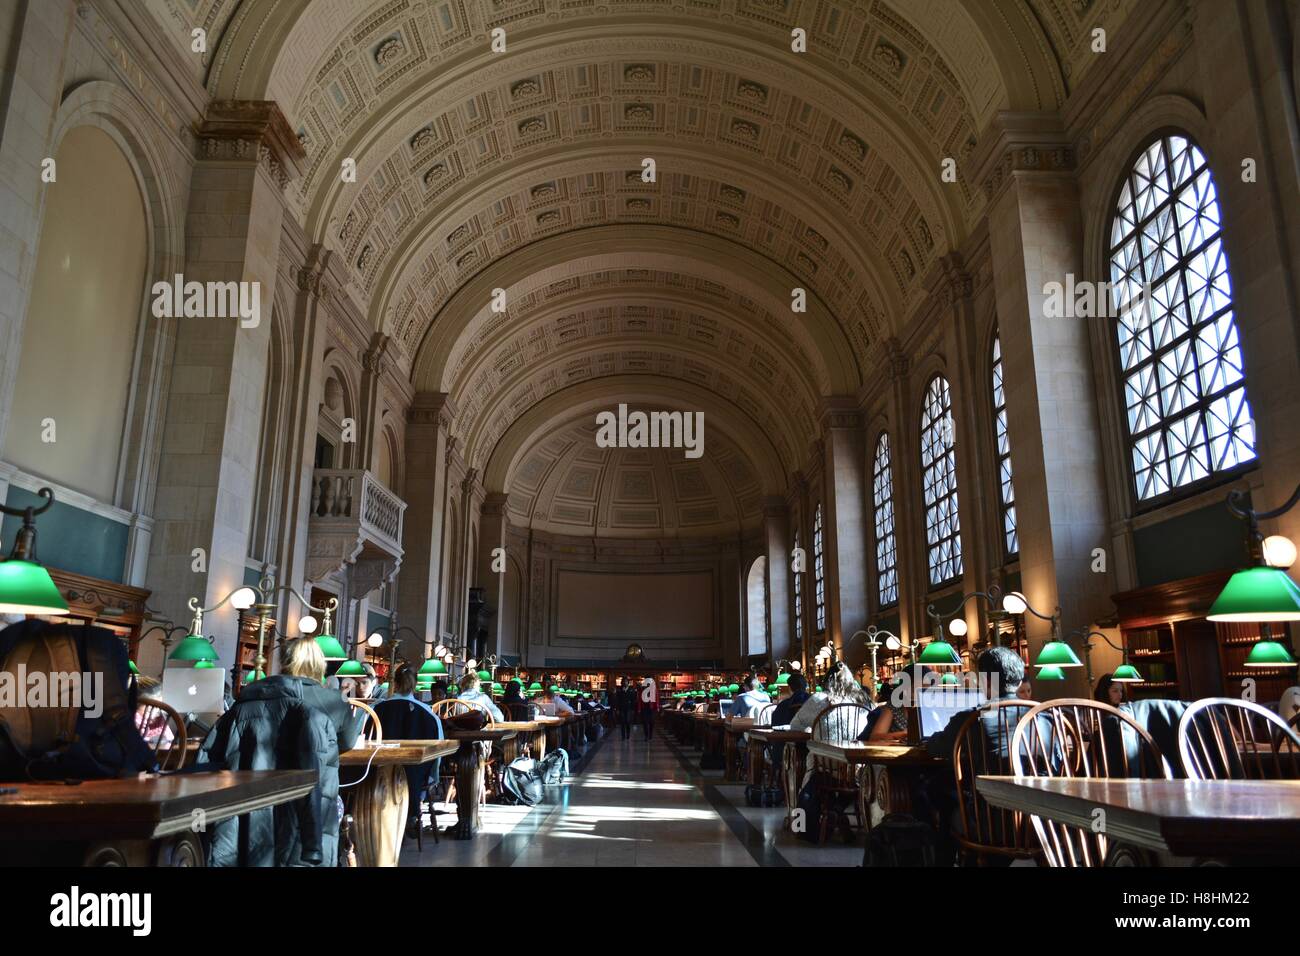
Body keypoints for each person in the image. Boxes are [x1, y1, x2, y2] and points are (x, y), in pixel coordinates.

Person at [200, 638, 362, 866]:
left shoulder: (249, 699)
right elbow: (348, 741)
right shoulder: (333, 702)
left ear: (284, 662)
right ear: (319, 664)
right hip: (310, 800)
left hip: (251, 803)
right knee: (338, 804)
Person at [373, 663, 444, 839]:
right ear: (415, 684)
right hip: (416, 778)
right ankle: (411, 815)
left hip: (379, 776)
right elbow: (437, 752)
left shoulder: (377, 709)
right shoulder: (428, 714)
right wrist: (432, 776)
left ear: (394, 683)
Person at [789, 662, 874, 738]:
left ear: (826, 681)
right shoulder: (862, 699)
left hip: (824, 754)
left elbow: (794, 725)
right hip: (857, 752)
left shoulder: (819, 698)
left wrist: (812, 730)